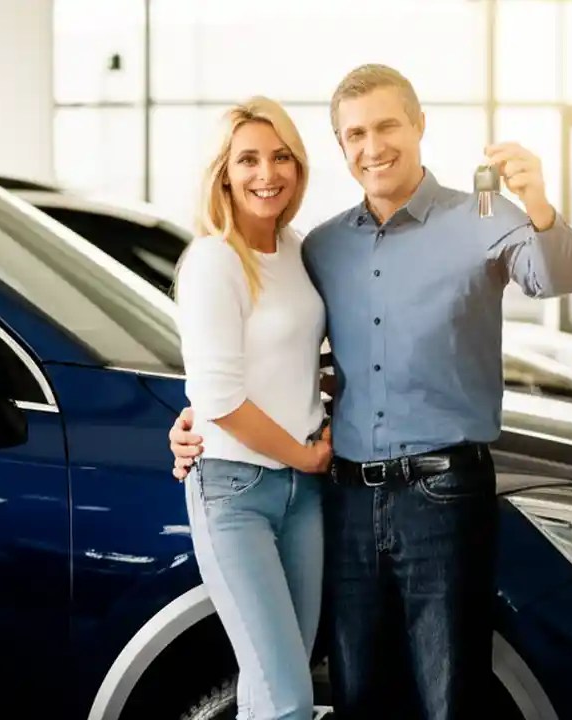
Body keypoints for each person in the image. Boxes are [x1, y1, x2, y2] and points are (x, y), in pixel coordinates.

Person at [168, 64, 572, 720]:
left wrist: (539, 207)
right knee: (361, 693)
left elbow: (556, 275)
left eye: (388, 125)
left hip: (444, 497)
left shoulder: (481, 214)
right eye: (355, 134)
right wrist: (203, 418)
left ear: (419, 126)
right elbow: (269, 353)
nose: (373, 146)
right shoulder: (324, 246)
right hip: (345, 500)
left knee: (451, 697)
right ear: (340, 148)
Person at [174, 95, 334, 720]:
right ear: (224, 173)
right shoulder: (213, 260)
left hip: (303, 496)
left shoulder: (299, 251)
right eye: (248, 160)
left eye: (281, 157)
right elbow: (217, 396)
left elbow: (299, 360)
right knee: (288, 698)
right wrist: (305, 455)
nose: (267, 174)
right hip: (235, 492)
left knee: (273, 687)